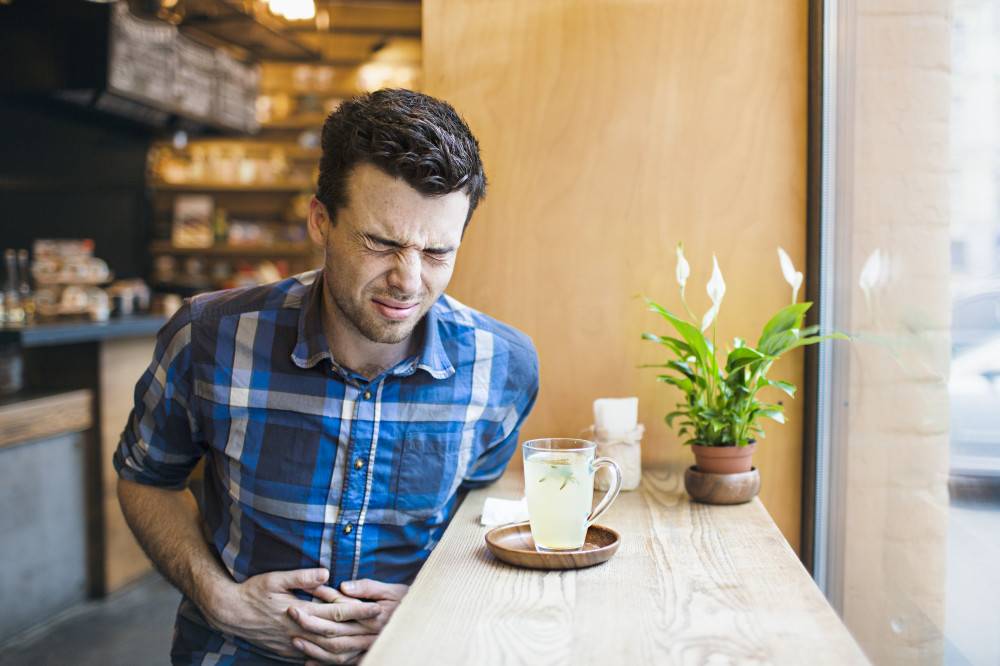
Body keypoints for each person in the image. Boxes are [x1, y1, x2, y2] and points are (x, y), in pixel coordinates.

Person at [115, 89, 540, 665]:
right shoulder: (208, 335)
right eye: (381, 243)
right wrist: (220, 600)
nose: (409, 281)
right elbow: (146, 479)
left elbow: (477, 512)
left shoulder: (505, 366)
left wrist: (432, 604)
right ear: (321, 220)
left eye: (438, 252)